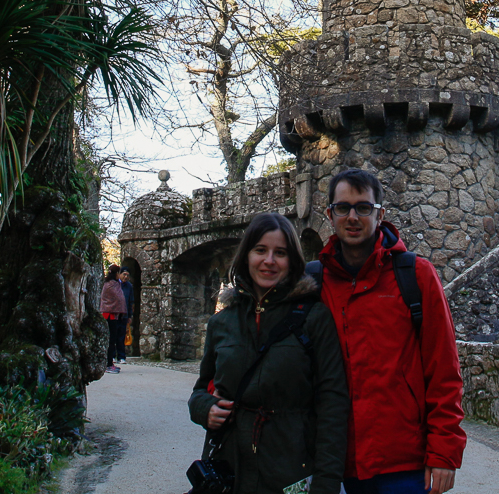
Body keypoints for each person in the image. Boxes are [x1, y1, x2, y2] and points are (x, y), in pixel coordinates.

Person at [316, 167, 466, 494]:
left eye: (363, 207)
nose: (352, 216)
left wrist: (444, 452)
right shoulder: (314, 282)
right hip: (332, 463)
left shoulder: (416, 275)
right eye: (343, 207)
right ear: (330, 214)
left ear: (380, 214)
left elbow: (443, 370)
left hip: (404, 464)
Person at [189, 213, 348, 494]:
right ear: (246, 255)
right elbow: (202, 389)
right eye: (260, 250)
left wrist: (326, 482)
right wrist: (204, 409)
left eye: (281, 253)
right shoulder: (222, 323)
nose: (269, 261)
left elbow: (333, 404)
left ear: (293, 260)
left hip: (291, 471)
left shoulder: (314, 319)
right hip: (231, 467)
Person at [99, 264, 127, 374]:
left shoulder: (112, 284)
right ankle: (108, 364)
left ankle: (110, 362)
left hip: (113, 315)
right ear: (116, 274)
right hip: (110, 315)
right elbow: (118, 299)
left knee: (113, 340)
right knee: (111, 340)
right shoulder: (111, 285)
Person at [118, 269, 134, 363]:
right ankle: (112, 356)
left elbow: (130, 301)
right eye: (124, 274)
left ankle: (121, 356)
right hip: (115, 314)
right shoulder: (115, 284)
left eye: (127, 275)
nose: (126, 277)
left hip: (124, 314)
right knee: (113, 336)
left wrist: (129, 316)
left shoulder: (129, 286)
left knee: (122, 336)